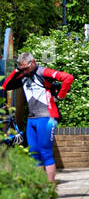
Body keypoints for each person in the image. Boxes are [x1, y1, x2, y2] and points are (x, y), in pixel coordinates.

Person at [1, 53, 75, 181]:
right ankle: (39, 186)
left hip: (47, 117)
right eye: (22, 69)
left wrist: (61, 96)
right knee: (34, 153)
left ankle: (50, 187)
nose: (25, 71)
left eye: (27, 68)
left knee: (45, 153)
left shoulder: (43, 71)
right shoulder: (23, 75)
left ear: (33, 62)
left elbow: (68, 78)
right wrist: (17, 71)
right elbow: (5, 86)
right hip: (32, 118)